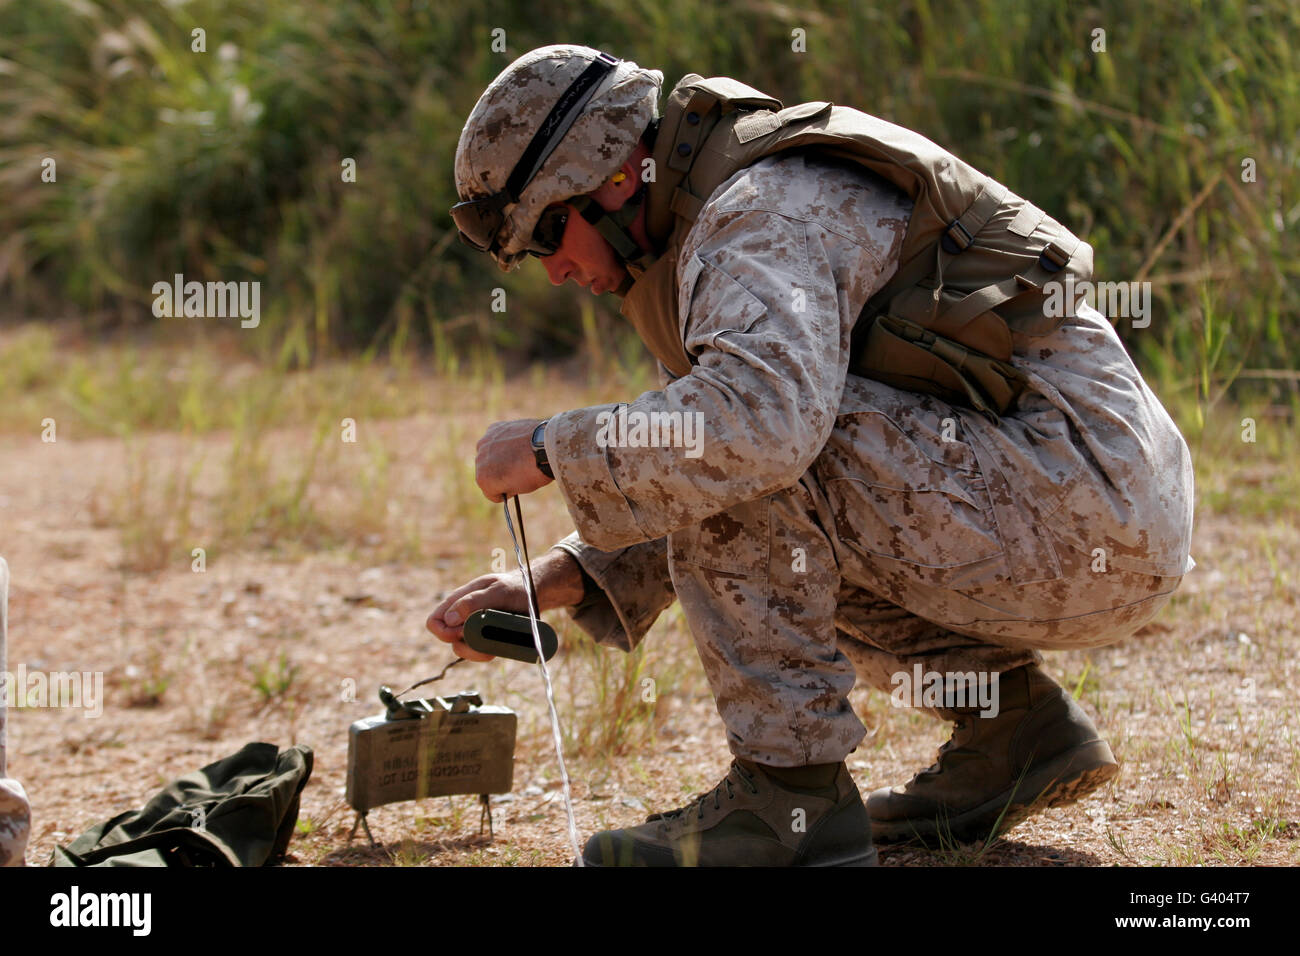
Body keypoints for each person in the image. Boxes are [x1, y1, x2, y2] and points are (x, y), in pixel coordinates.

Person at [430, 45, 1194, 867]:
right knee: (734, 440)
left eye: (549, 232)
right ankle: (1014, 729)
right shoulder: (699, 230)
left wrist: (552, 447)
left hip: (1082, 509)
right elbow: (701, 457)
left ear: (614, 178)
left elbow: (752, 431)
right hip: (1075, 507)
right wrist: (560, 576)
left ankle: (787, 798)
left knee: (750, 434)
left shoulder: (758, 211)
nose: (552, 271)